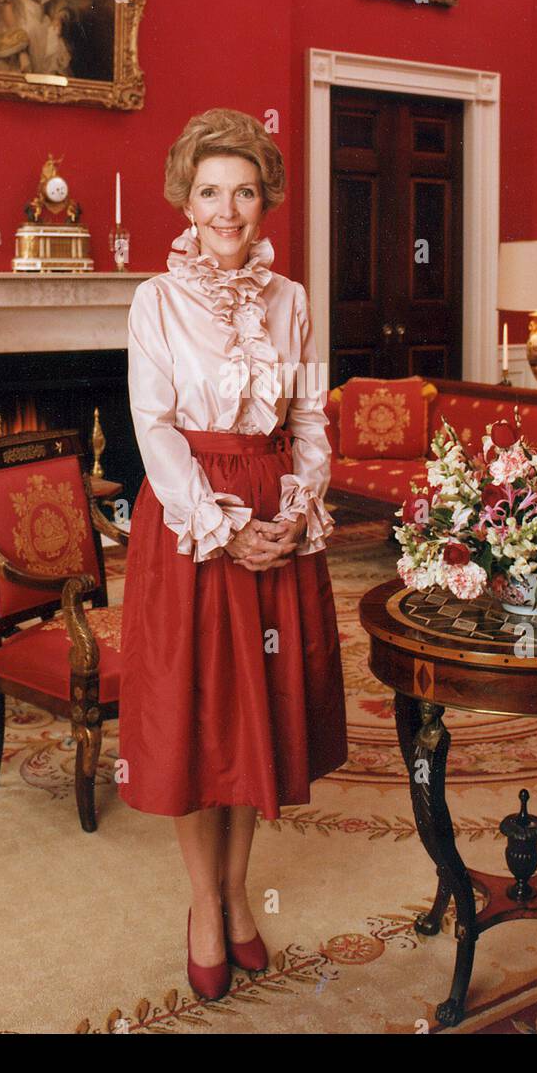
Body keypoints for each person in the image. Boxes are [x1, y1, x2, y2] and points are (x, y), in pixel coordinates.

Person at [117, 109, 348, 1002]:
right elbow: (153, 426)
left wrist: (294, 509)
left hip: (275, 513)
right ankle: (201, 905)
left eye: (244, 190)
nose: (227, 208)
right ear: (186, 198)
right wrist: (221, 526)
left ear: (266, 200)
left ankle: (239, 893)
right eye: (210, 191)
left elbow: (308, 419)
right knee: (197, 716)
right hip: (192, 524)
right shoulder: (155, 300)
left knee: (262, 721)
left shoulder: (291, 300)